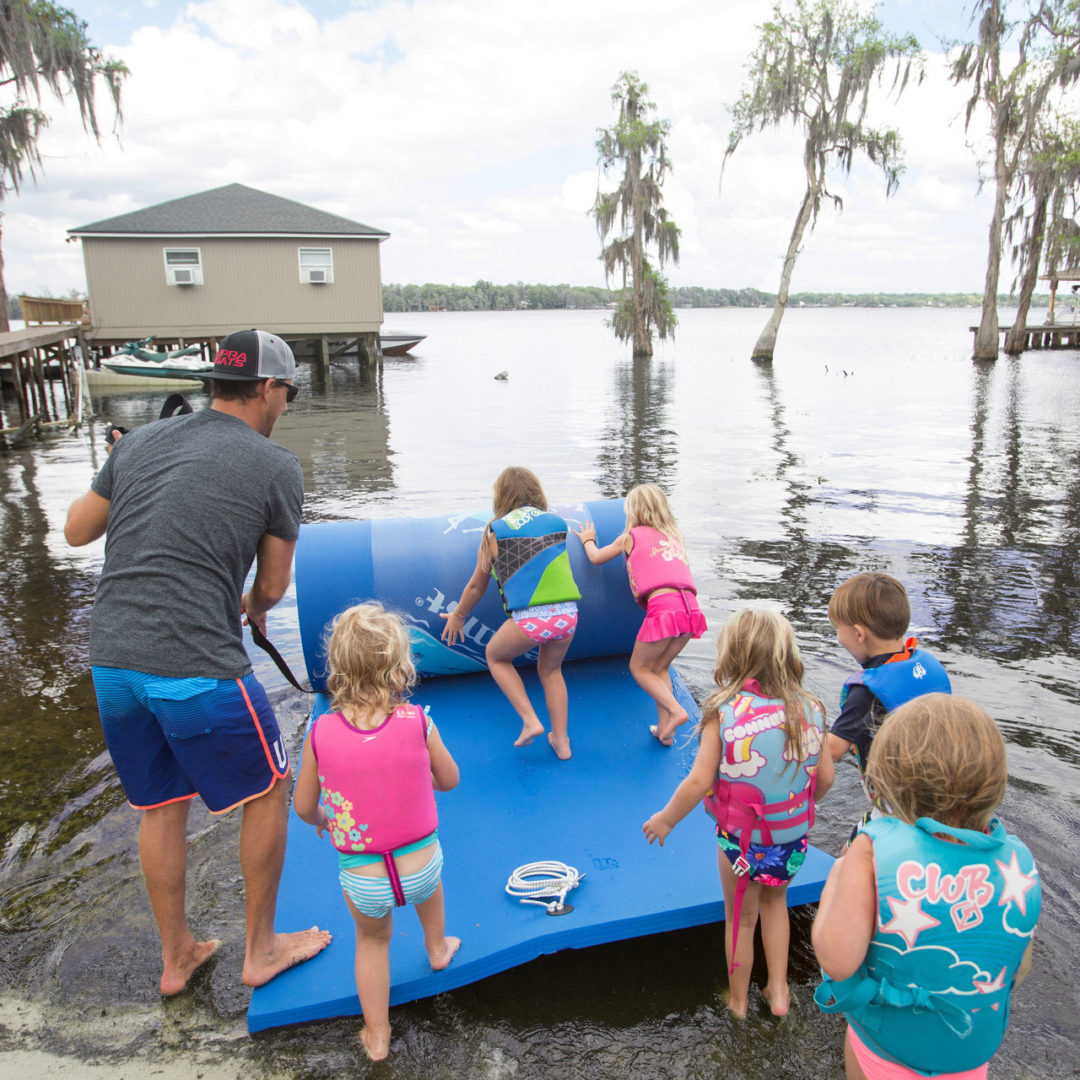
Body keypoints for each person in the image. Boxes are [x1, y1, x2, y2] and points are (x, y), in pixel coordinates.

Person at [64, 328, 331, 995]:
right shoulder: (275, 466)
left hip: (113, 660)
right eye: (289, 393)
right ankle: (261, 951)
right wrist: (246, 601)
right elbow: (269, 590)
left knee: (161, 805)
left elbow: (74, 530)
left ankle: (178, 955)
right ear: (268, 388)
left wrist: (125, 471)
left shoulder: (143, 442)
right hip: (194, 661)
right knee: (269, 787)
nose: (287, 406)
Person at [812, 694, 1040, 1080]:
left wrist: (836, 880)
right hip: (969, 1053)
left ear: (887, 780)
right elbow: (1018, 969)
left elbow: (837, 962)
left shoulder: (870, 850)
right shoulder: (1018, 864)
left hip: (885, 1051)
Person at [643, 609, 834, 1017]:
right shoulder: (813, 708)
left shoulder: (725, 711)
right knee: (776, 906)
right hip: (791, 840)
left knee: (741, 920)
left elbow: (698, 782)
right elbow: (825, 777)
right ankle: (779, 993)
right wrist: (799, 802)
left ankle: (739, 1002)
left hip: (741, 842)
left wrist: (667, 819)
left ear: (734, 656)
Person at [293, 602, 460, 1061]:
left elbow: (305, 807)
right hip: (421, 866)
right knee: (431, 888)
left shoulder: (321, 733)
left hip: (364, 878)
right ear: (400, 665)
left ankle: (378, 1036)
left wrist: (326, 820)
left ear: (338, 668)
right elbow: (450, 780)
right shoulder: (418, 722)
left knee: (371, 942)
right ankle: (438, 947)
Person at [440, 466, 581, 760]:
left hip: (531, 618)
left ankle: (530, 720)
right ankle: (563, 742)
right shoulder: (557, 522)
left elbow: (477, 585)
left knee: (496, 656)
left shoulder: (495, 530)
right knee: (551, 670)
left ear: (501, 496)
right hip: (568, 615)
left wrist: (458, 616)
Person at [574, 483, 707, 745]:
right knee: (659, 668)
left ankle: (676, 711)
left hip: (664, 608)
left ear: (633, 511)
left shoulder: (630, 536)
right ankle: (664, 730)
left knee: (639, 668)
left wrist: (588, 540)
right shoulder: (674, 536)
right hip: (690, 609)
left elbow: (597, 558)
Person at [827, 573, 951, 791]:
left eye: (838, 628)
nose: (838, 636)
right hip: (942, 781)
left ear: (858, 634)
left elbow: (832, 751)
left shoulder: (866, 693)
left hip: (898, 798)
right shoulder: (928, 665)